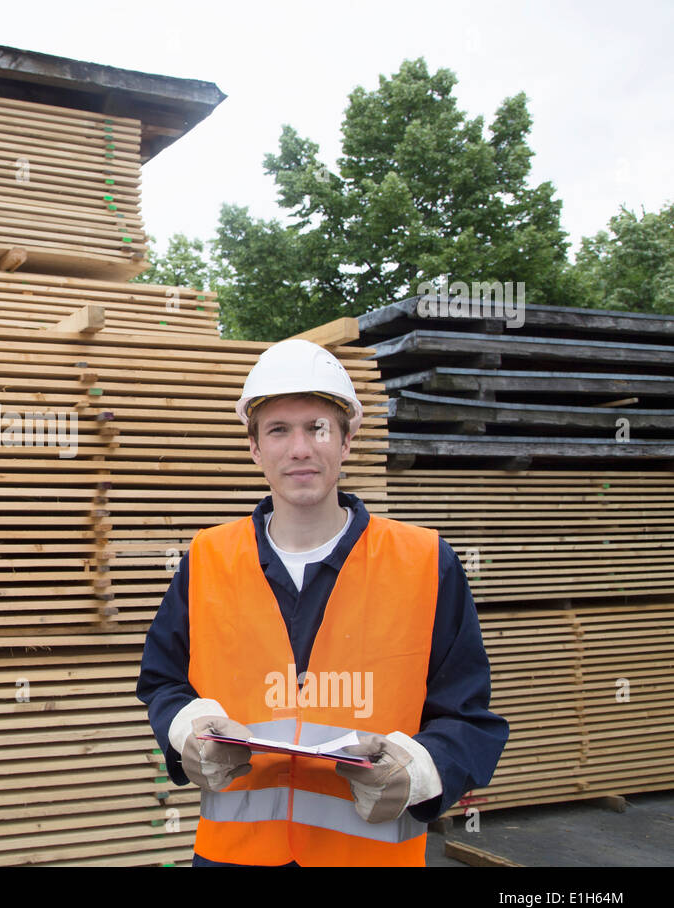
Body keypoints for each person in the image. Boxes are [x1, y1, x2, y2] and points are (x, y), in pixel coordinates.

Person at [136, 338, 509, 867]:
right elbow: (161, 681)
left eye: (317, 427)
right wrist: (187, 732)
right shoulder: (208, 557)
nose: (300, 449)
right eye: (278, 430)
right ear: (254, 447)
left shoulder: (424, 561)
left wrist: (419, 772)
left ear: (346, 440)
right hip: (234, 857)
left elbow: (469, 718)